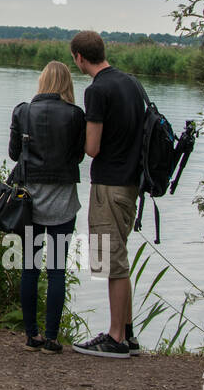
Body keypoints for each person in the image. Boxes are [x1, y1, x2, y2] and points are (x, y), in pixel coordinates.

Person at [69, 30, 145, 358]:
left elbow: (93, 148)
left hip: (108, 185)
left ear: (79, 58)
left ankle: (115, 338)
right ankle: (127, 333)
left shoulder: (97, 91)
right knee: (119, 254)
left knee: (111, 260)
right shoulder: (132, 83)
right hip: (131, 184)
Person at [9, 61, 85, 354]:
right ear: (67, 84)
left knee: (29, 268)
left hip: (29, 202)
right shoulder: (77, 116)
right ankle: (52, 339)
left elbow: (14, 153)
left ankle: (31, 336)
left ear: (42, 81)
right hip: (62, 203)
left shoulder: (23, 111)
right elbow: (78, 157)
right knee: (56, 271)